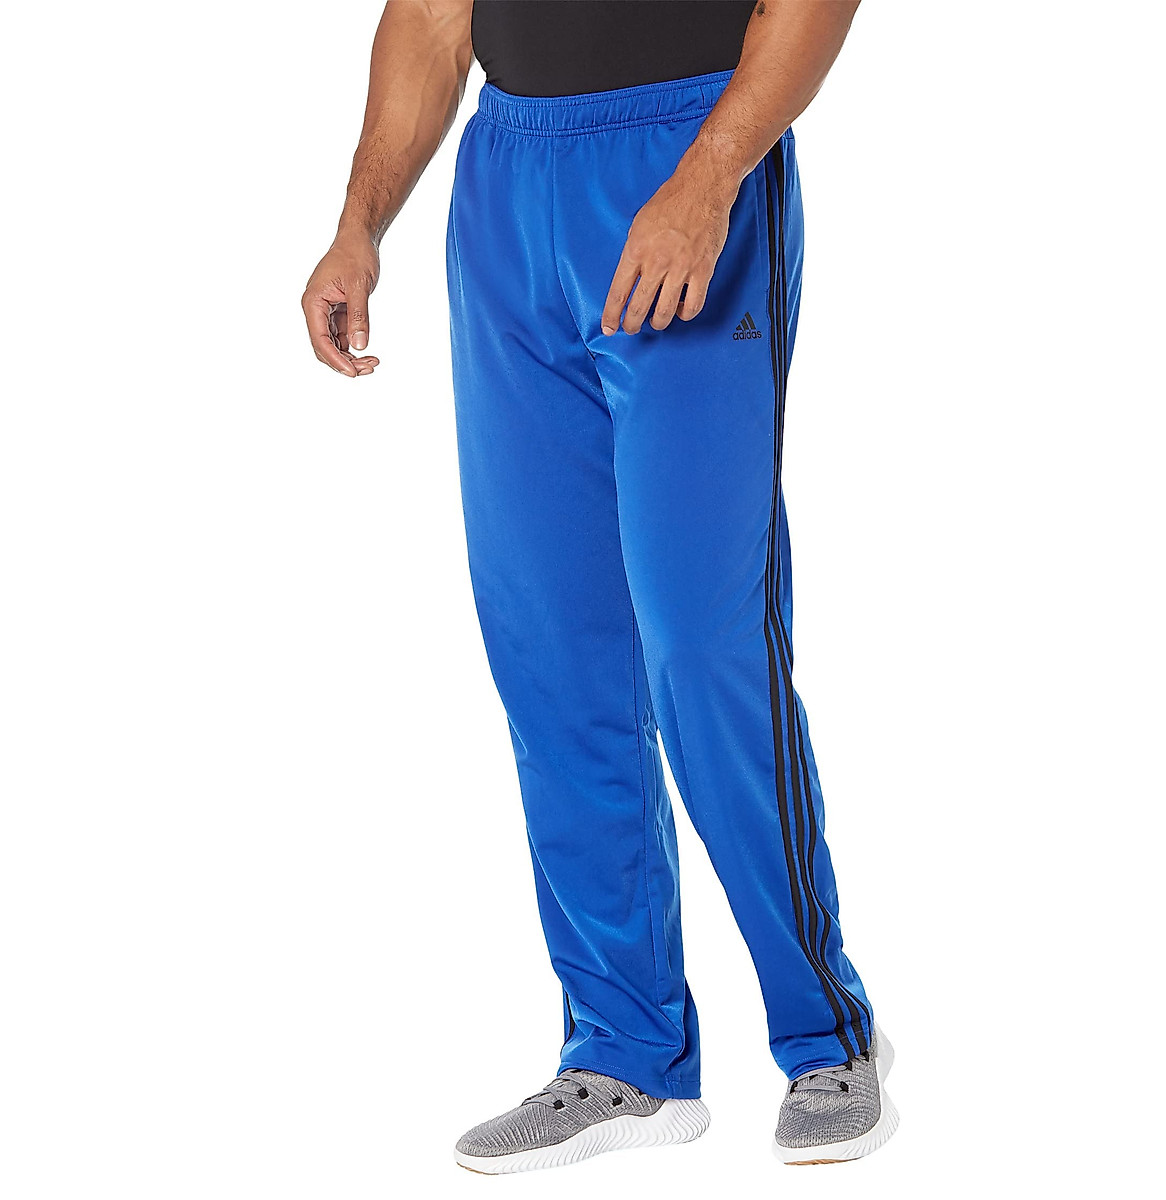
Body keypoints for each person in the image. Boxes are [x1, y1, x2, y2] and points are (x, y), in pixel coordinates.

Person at [302, 0, 895, 1174]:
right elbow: (432, 16)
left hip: (686, 150)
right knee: (552, 651)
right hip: (509, 186)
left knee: (703, 642)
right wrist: (358, 223)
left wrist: (713, 174)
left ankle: (827, 1033)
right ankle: (626, 1054)